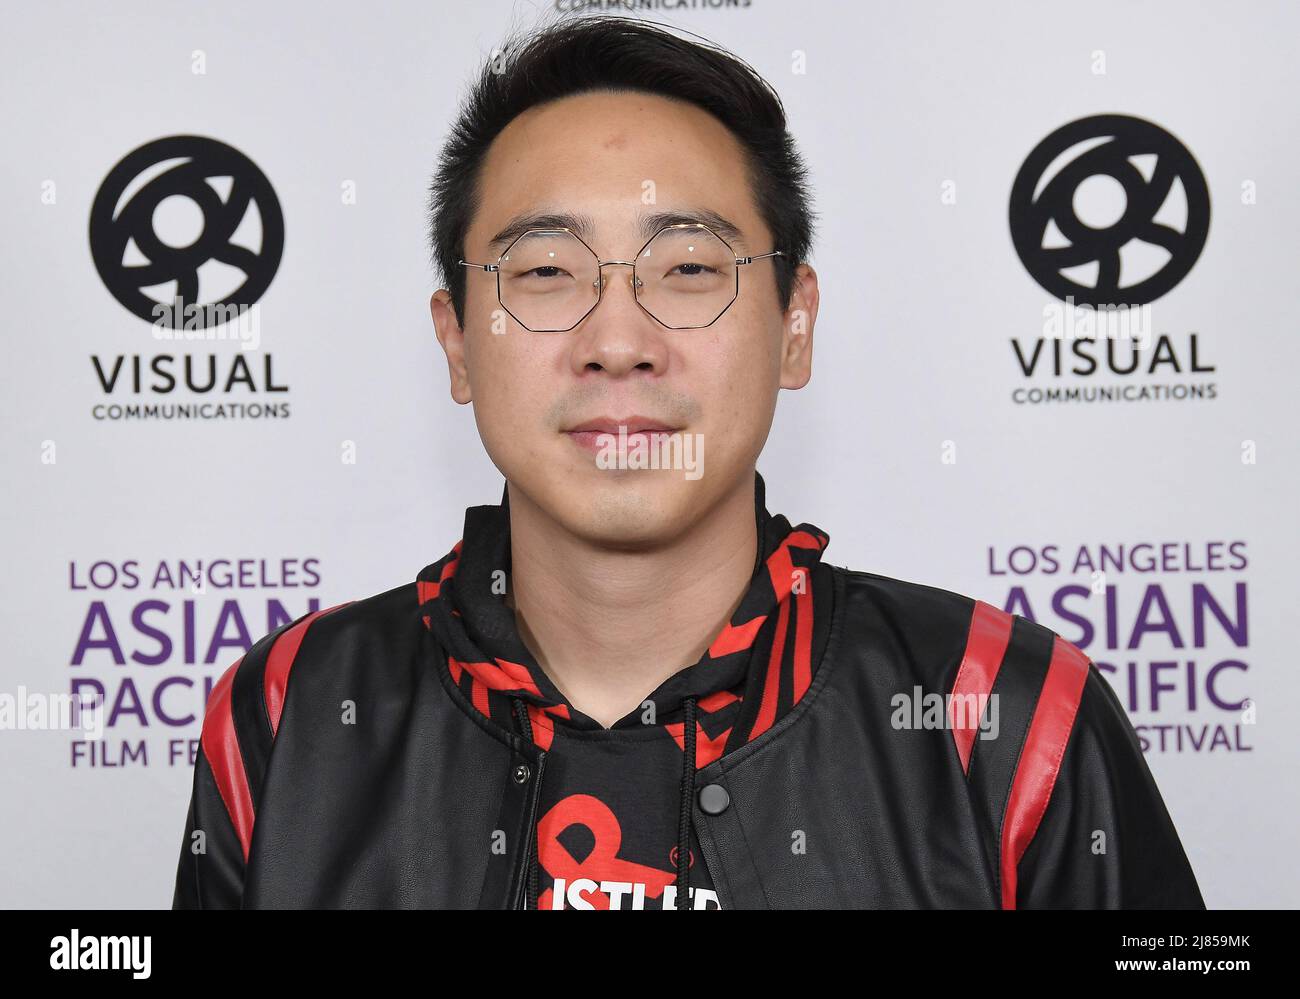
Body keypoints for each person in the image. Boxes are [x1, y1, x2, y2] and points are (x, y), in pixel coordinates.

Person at [172, 13, 1204, 910]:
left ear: (794, 326)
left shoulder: (1004, 714)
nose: (618, 340)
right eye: (543, 271)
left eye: (688, 268)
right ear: (456, 342)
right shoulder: (289, 712)